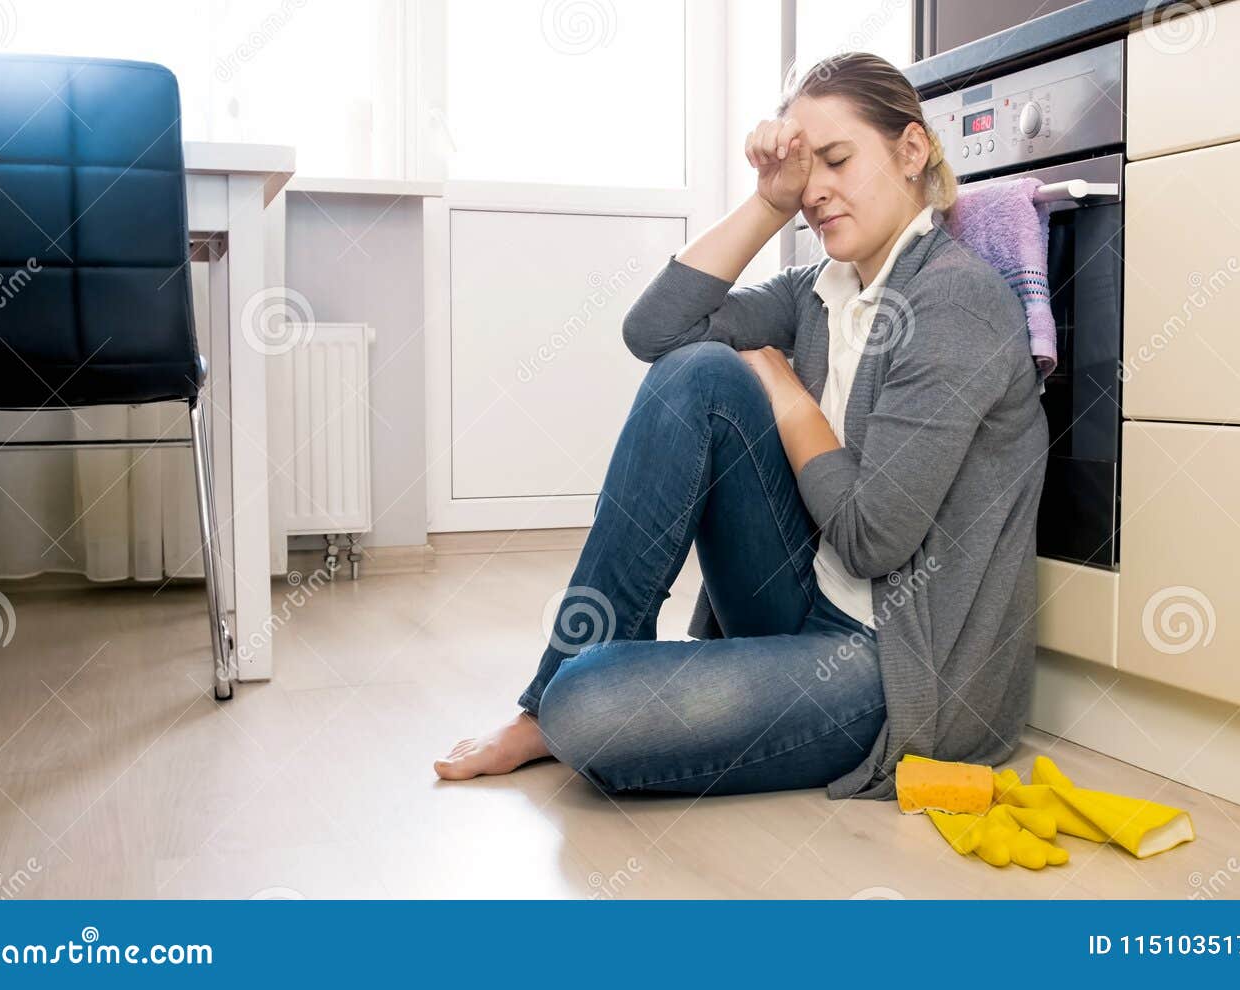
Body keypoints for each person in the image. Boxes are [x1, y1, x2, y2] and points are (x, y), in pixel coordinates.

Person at [435, 52, 1048, 801]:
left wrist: (787, 390)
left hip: (892, 664)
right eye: (804, 171)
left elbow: (872, 540)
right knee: (700, 375)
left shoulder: (956, 301)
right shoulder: (820, 291)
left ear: (911, 150)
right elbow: (658, 333)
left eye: (837, 160)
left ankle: (570, 699)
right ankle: (544, 704)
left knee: (589, 705)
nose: (817, 191)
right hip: (803, 601)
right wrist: (769, 202)